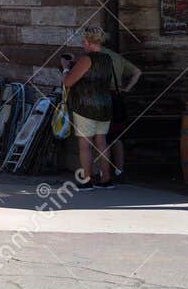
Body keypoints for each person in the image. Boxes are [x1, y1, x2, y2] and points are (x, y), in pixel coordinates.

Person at [61, 27, 116, 189]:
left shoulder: (86, 59)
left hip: (85, 105)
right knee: (102, 142)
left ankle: (86, 180)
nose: (82, 43)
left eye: (84, 40)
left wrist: (65, 67)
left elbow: (68, 82)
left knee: (85, 144)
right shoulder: (107, 58)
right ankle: (106, 179)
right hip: (105, 105)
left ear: (89, 41)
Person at [102, 45, 143, 182]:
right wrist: (127, 89)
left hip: (101, 98)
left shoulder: (92, 57)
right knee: (116, 137)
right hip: (117, 97)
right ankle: (119, 171)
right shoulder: (116, 57)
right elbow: (137, 71)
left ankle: (103, 174)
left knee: (102, 137)